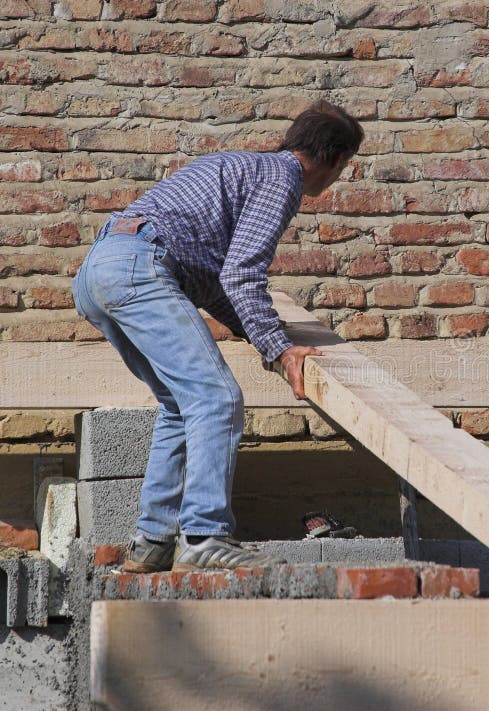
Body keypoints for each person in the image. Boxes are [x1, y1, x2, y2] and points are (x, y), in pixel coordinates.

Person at [71, 100, 363, 573]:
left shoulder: (241, 166)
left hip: (98, 273)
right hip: (139, 268)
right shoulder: (281, 178)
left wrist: (266, 339)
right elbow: (242, 275)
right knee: (217, 397)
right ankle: (204, 536)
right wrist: (281, 348)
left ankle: (153, 541)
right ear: (336, 159)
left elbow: (214, 282)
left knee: (179, 404)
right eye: (344, 169)